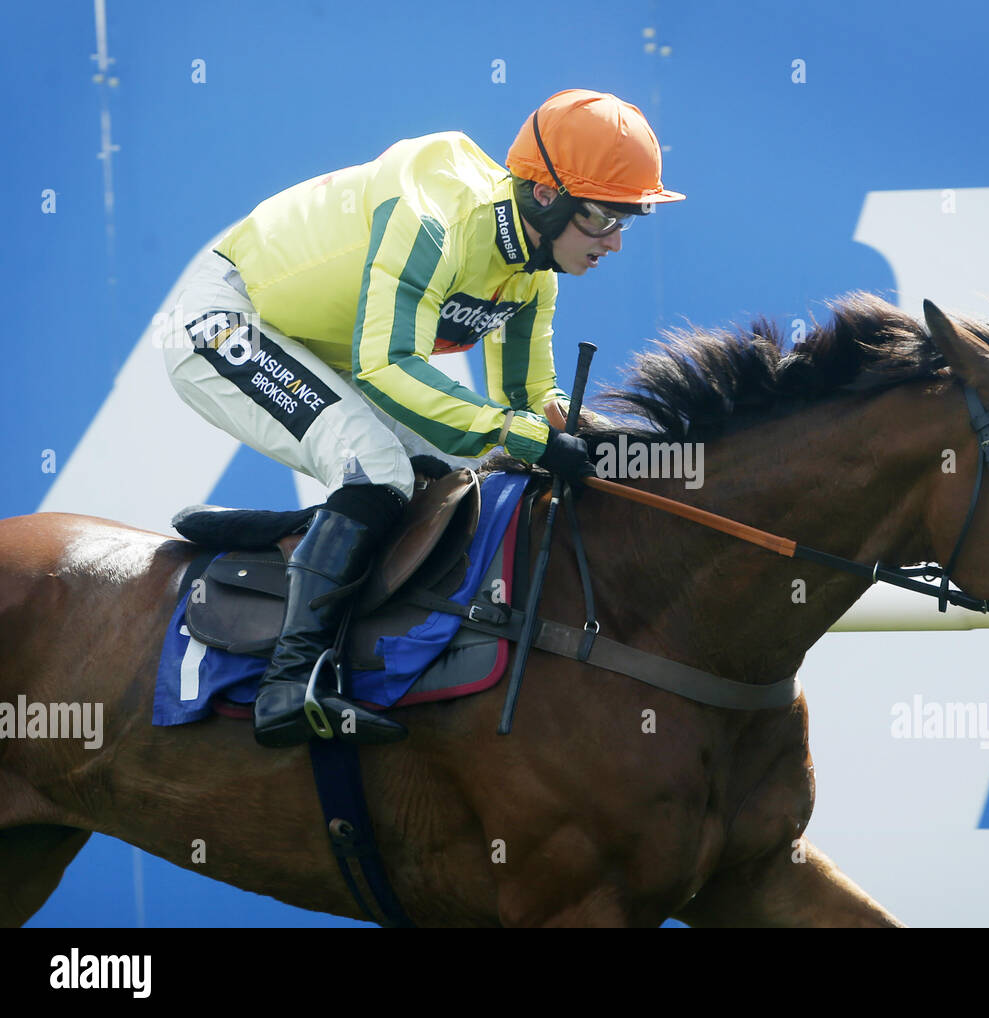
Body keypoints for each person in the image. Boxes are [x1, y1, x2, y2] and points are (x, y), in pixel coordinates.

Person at [159, 88, 685, 748]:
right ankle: (287, 686)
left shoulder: (534, 272)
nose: (616, 242)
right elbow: (386, 367)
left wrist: (598, 442)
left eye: (628, 220)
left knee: (460, 476)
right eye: (604, 217)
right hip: (225, 320)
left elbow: (530, 403)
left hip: (323, 347)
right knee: (376, 468)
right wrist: (518, 433)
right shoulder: (434, 220)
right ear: (546, 196)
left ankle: (344, 602)